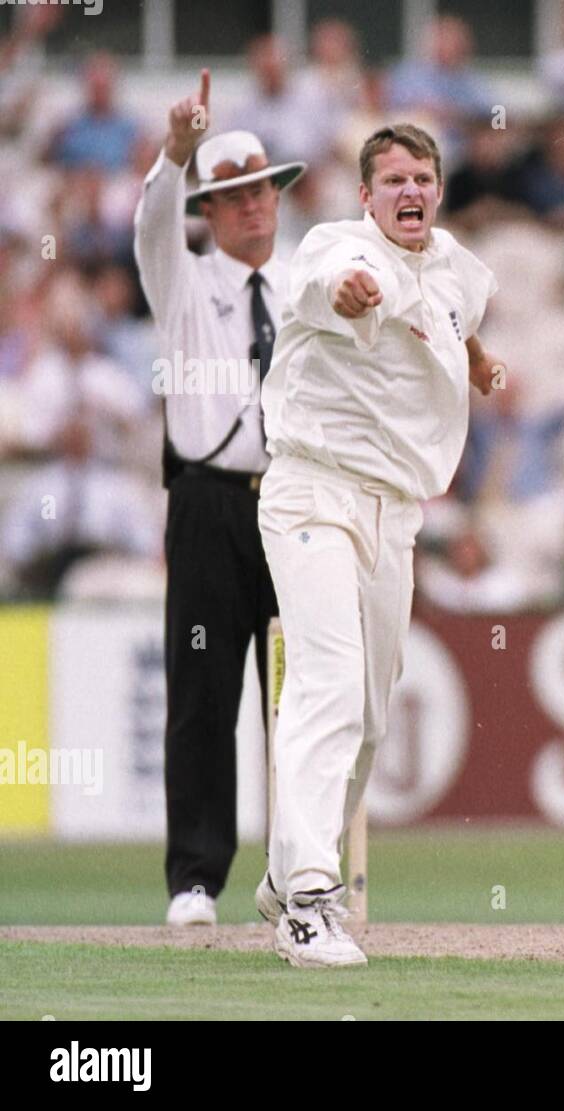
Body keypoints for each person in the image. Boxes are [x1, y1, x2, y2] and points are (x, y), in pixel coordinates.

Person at [255, 123, 500, 967]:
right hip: (313, 488)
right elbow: (333, 285)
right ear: (367, 196)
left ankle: (287, 865)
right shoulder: (338, 249)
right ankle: (308, 901)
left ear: (439, 189)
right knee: (326, 682)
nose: (410, 191)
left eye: (422, 178)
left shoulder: (456, 265)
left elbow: (456, 316)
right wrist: (353, 291)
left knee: (369, 713)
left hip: (396, 511)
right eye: (392, 180)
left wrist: (481, 362)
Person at [133, 70, 306, 926]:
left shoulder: (304, 284)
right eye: (233, 195)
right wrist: (176, 152)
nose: (252, 206)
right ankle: (196, 879)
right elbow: (150, 225)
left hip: (296, 502)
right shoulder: (185, 281)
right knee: (203, 691)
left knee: (302, 696)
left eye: (261, 190)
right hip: (208, 502)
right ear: (208, 208)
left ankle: (302, 871)